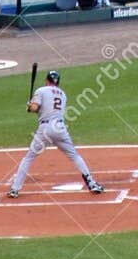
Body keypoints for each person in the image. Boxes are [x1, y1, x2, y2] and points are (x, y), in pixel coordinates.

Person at [8, 69, 103, 198]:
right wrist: (32, 107)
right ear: (58, 82)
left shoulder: (40, 90)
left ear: (47, 80)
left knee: (29, 158)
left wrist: (29, 107)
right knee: (74, 155)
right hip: (60, 127)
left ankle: (15, 189)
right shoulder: (63, 94)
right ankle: (91, 183)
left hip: (45, 129)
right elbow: (50, 109)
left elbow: (36, 108)